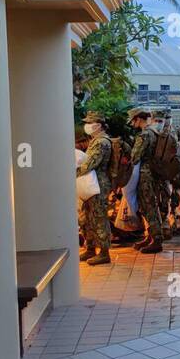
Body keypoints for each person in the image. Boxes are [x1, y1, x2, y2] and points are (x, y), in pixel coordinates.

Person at [127, 106, 168, 252]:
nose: (132, 124)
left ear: (139, 119)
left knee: (148, 206)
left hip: (145, 175)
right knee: (150, 205)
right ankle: (151, 236)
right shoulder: (155, 132)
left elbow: (135, 157)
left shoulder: (144, 135)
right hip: (154, 173)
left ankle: (156, 239)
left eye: (133, 120)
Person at [77, 109, 113, 265]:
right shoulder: (95, 141)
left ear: (98, 125)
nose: (87, 126)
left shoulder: (102, 142)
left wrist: (73, 171)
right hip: (91, 184)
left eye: (89, 123)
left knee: (99, 217)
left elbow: (89, 164)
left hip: (98, 184)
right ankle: (90, 248)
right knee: (88, 217)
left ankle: (104, 252)